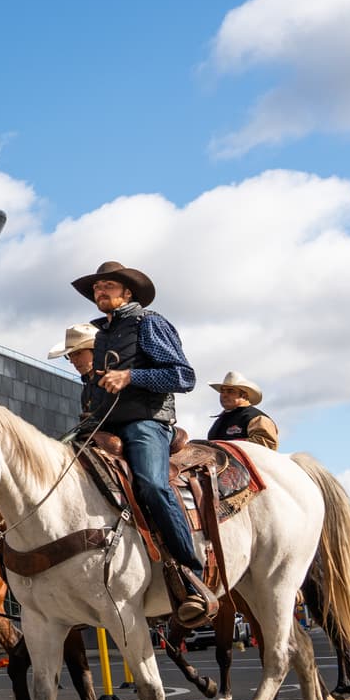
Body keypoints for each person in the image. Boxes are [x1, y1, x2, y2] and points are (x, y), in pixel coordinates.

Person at [73, 260, 216, 627]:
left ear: (127, 292)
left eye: (106, 286)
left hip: (148, 423)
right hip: (106, 427)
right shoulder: (102, 333)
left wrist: (130, 376)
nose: (99, 293)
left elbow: (183, 376)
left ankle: (190, 575)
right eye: (95, 289)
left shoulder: (149, 322)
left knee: (152, 485)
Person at [48, 322, 101, 440]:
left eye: (78, 353)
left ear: (95, 350)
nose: (73, 361)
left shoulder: (113, 379)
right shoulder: (86, 389)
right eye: (70, 356)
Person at [205, 372, 279, 449]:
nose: (224, 395)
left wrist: (227, 446)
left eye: (230, 391)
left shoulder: (257, 418)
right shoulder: (221, 419)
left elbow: (267, 443)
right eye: (222, 391)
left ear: (244, 396)